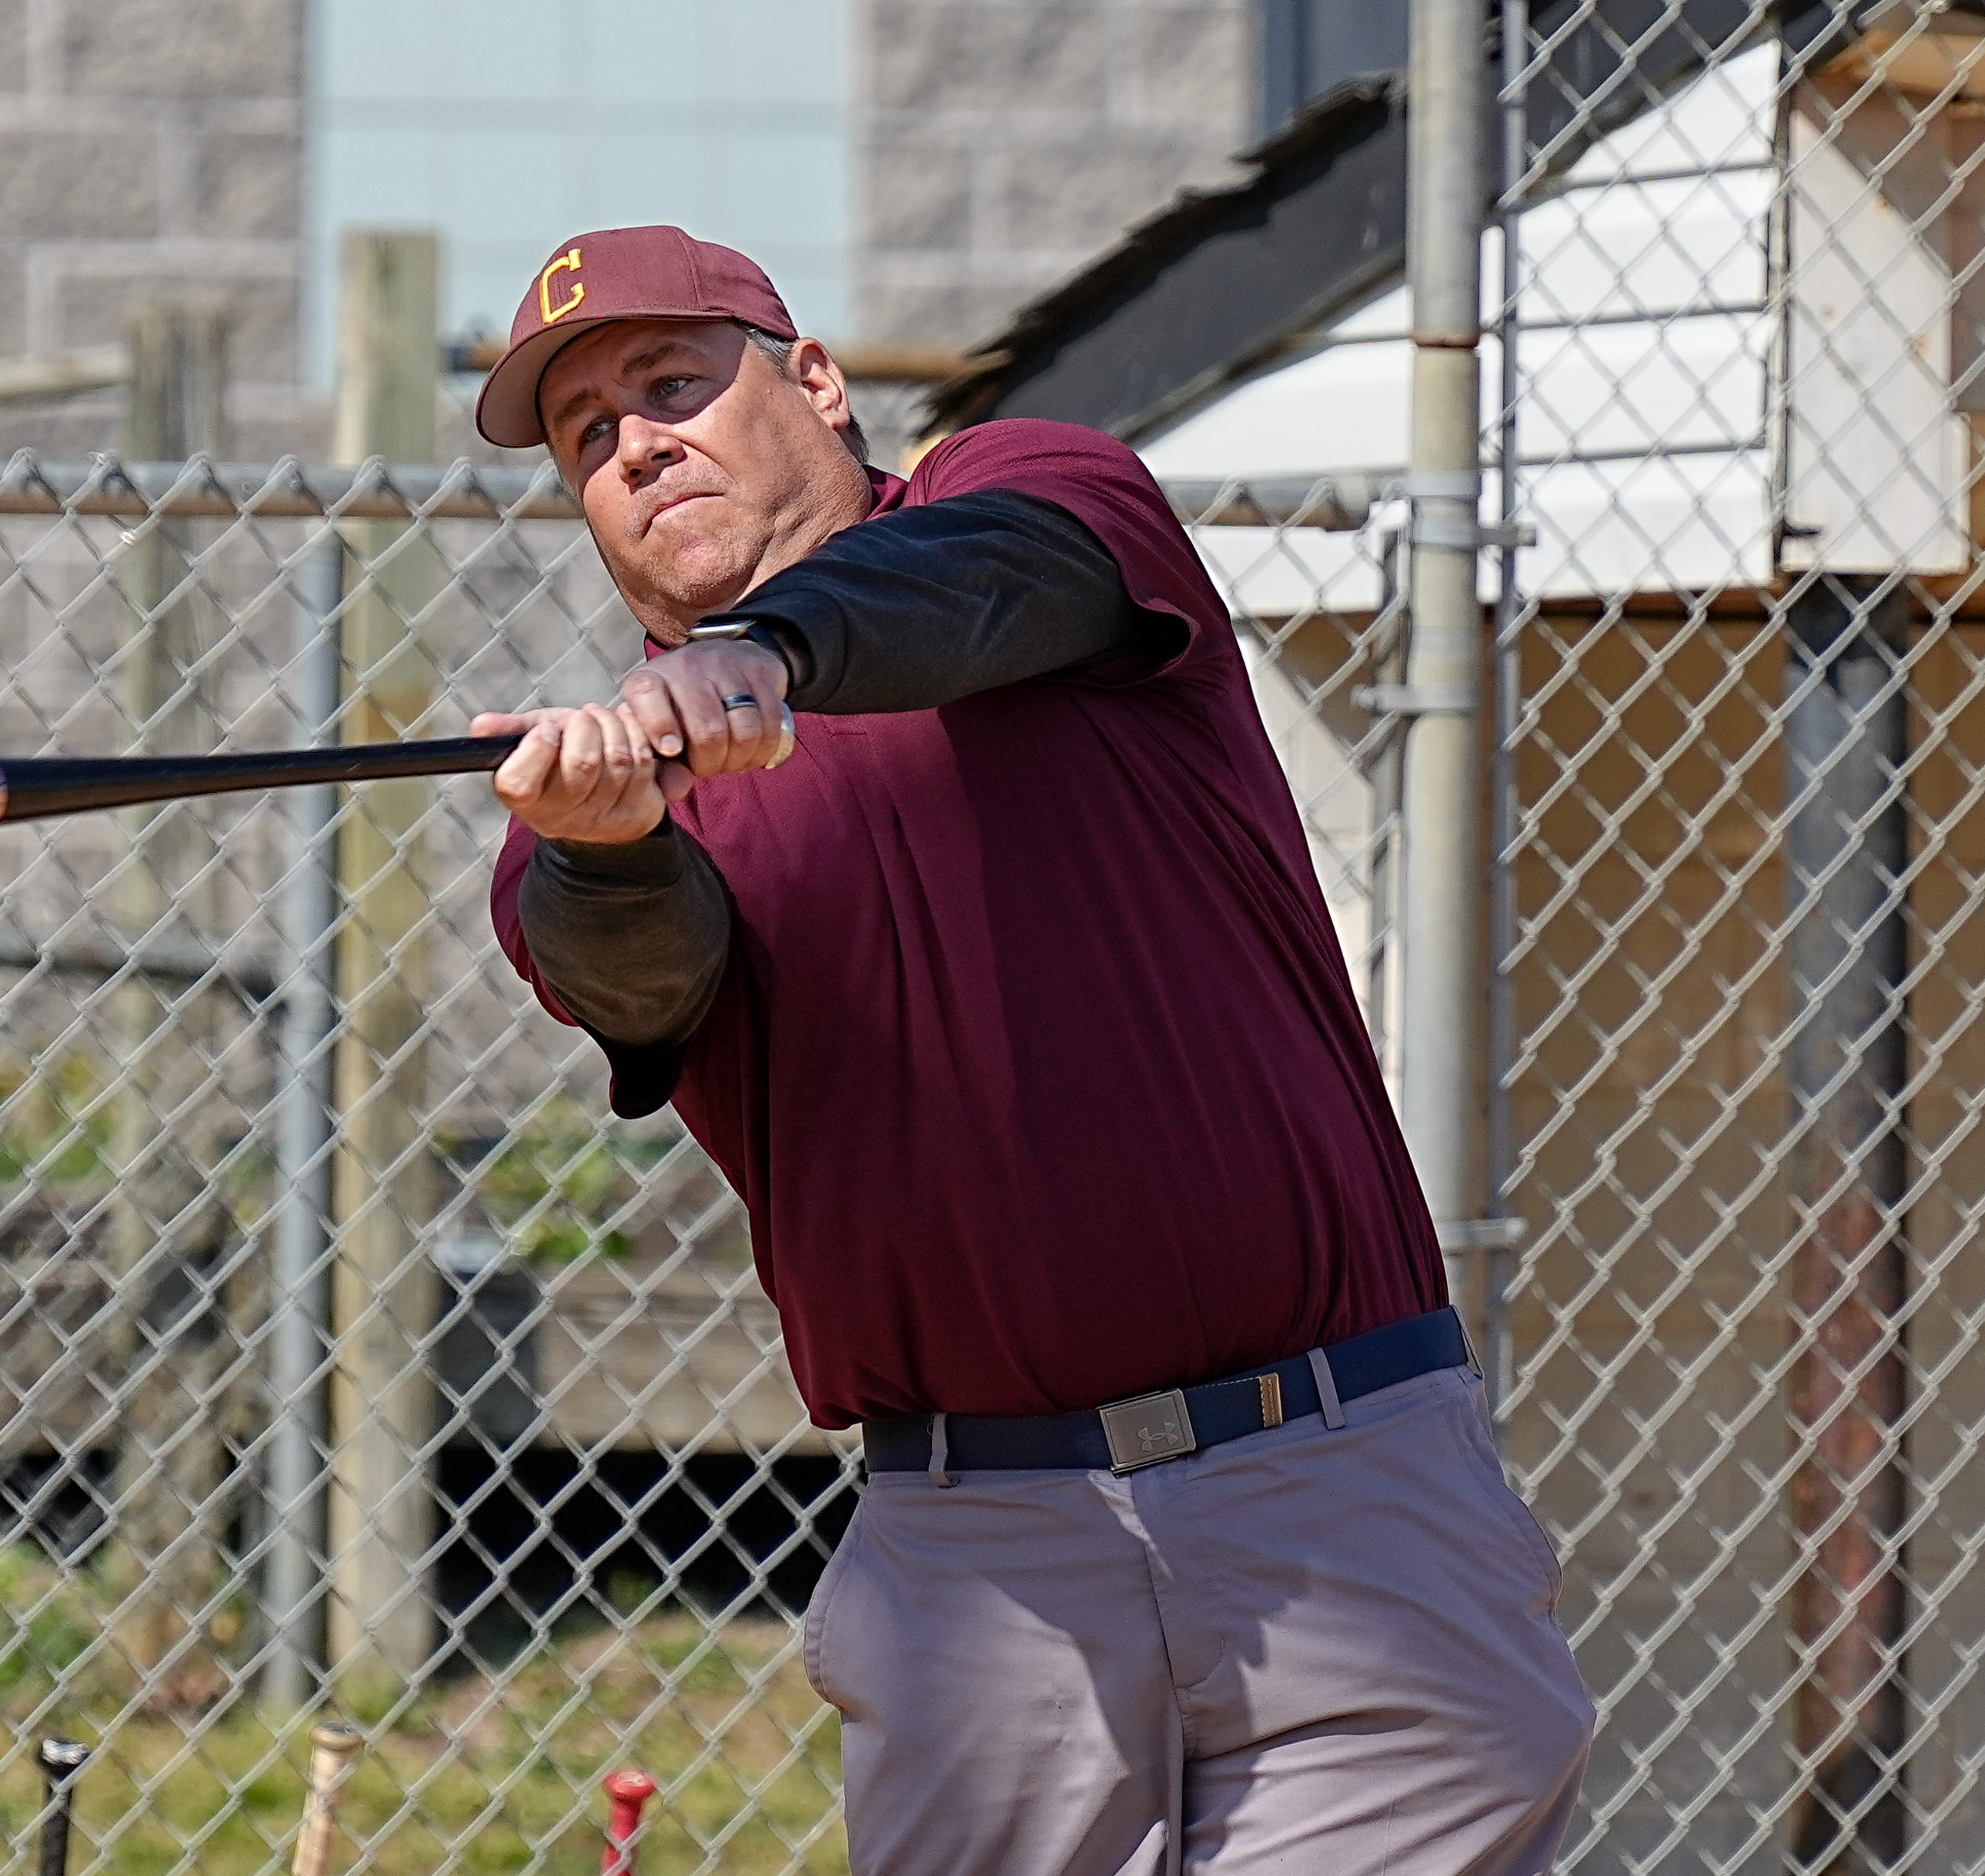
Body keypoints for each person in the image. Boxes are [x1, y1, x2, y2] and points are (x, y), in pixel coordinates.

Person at [467, 226, 1594, 1876]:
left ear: (821, 386)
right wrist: (613, 844)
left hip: (1334, 1489)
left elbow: (1002, 577)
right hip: (981, 1560)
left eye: (671, 383)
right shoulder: (593, 819)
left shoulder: (1037, 497)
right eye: (587, 439)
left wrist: (768, 653)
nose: (635, 442)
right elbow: (639, 978)